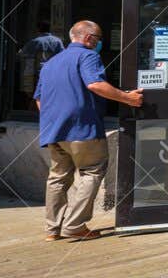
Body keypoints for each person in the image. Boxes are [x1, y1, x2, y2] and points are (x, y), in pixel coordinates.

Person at [33, 20, 143, 241]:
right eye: (99, 39)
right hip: (82, 128)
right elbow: (95, 84)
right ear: (89, 38)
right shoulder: (88, 56)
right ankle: (75, 225)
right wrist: (127, 98)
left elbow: (39, 99)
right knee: (92, 171)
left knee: (57, 178)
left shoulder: (51, 62)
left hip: (54, 131)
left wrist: (53, 119)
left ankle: (53, 229)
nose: (100, 43)